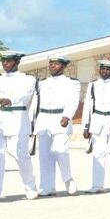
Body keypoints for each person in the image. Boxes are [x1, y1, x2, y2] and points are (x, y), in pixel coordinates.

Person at [0, 51, 39, 201]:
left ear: (17, 62)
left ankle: (30, 186)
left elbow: (26, 94)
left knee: (19, 154)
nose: (5, 64)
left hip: (17, 118)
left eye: (8, 61)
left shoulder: (28, 79)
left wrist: (11, 99)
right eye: (3, 61)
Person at [33, 56, 80, 196]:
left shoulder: (72, 83)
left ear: (64, 66)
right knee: (44, 155)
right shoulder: (42, 83)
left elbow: (74, 100)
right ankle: (47, 187)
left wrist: (67, 116)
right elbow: (36, 103)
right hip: (43, 119)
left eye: (57, 64)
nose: (53, 66)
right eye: (51, 64)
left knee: (60, 149)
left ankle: (68, 179)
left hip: (61, 119)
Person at [81, 60, 110, 193]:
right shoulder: (93, 85)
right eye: (102, 69)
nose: (104, 72)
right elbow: (88, 106)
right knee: (98, 154)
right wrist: (86, 126)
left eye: (108, 70)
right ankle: (97, 185)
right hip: (97, 121)